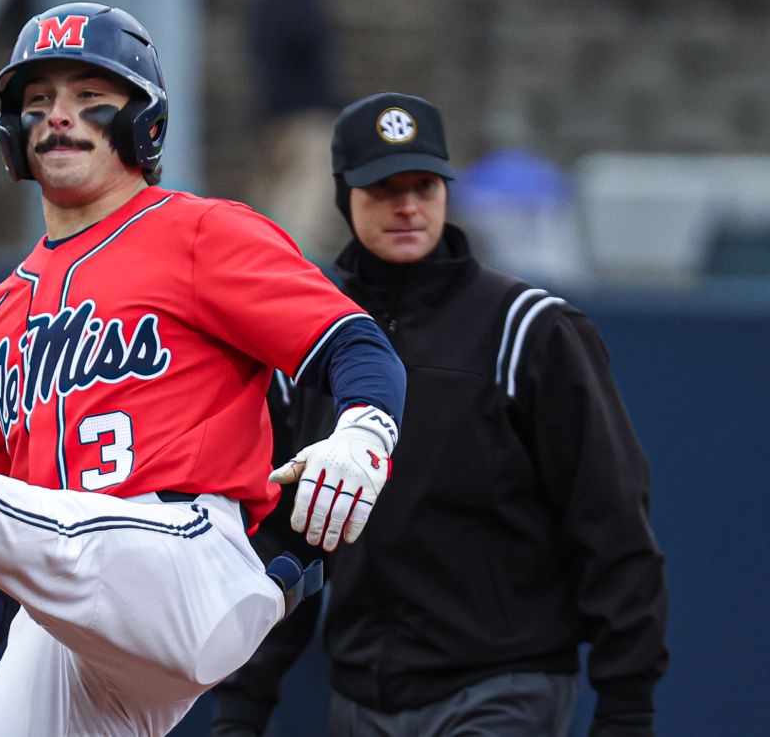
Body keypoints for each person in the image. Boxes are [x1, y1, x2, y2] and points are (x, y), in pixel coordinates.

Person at [0, 2, 408, 736]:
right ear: (12, 133)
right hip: (77, 614)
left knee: (47, 529)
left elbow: (355, 344)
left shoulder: (201, 233)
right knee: (19, 538)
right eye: (39, 102)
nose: (60, 116)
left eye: (90, 98)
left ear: (144, 124)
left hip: (191, 563)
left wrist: (365, 435)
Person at [210, 92, 670, 736]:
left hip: (503, 681)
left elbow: (611, 522)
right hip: (363, 691)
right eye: (383, 188)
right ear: (345, 195)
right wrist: (243, 704)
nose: (407, 206)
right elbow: (284, 543)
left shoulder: (529, 330)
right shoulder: (307, 340)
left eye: (424, 185)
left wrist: (627, 704)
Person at [245, 0, 347, 261]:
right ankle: (291, 268)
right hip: (304, 109)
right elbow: (305, 41)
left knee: (275, 193)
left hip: (275, 108)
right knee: (305, 198)